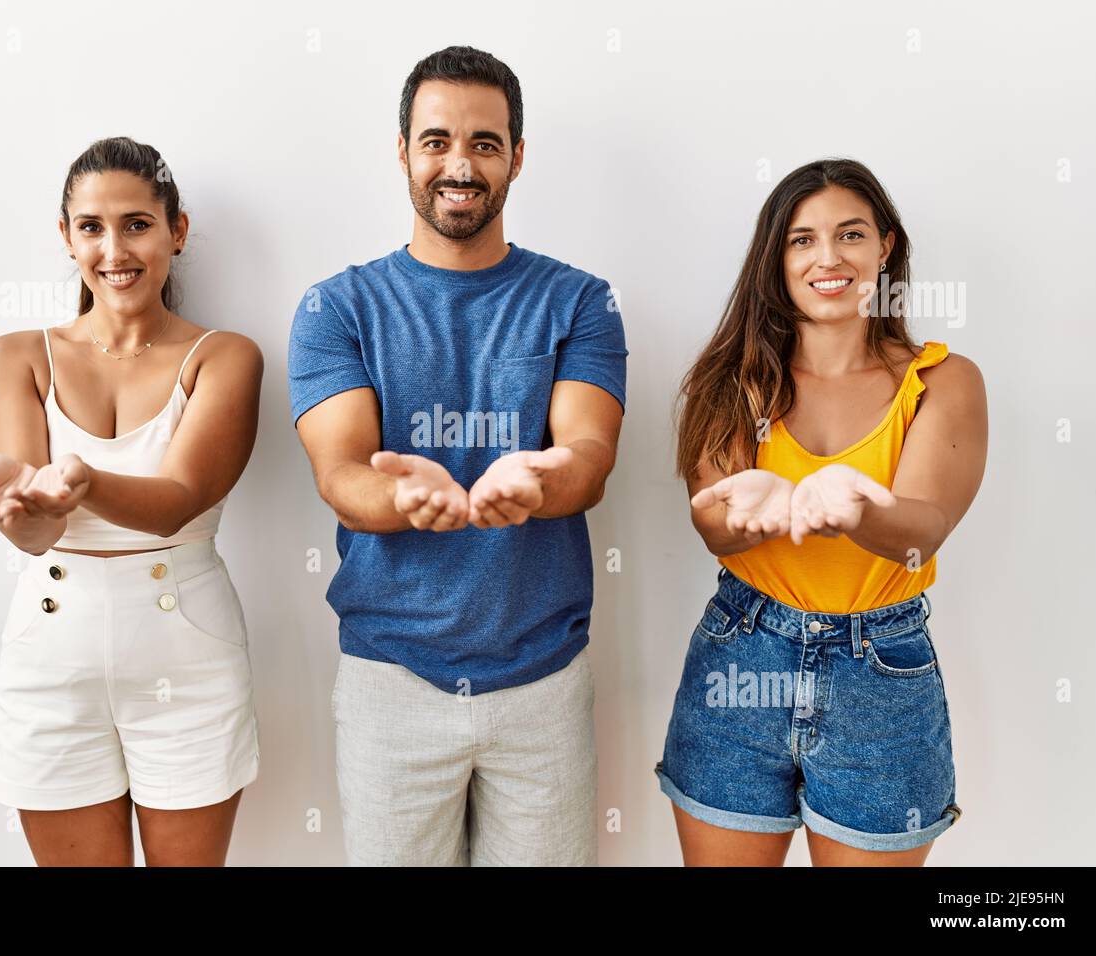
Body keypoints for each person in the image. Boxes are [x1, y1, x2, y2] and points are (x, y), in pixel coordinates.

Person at [288, 46, 627, 865]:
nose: (460, 164)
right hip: (389, 685)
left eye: (484, 141)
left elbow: (588, 456)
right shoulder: (336, 307)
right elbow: (340, 476)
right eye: (436, 140)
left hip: (542, 683)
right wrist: (403, 499)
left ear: (516, 155)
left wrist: (538, 483)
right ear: (402, 151)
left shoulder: (581, 300)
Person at [656, 157, 988, 866]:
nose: (828, 258)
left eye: (850, 235)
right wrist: (751, 511)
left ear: (885, 247)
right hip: (742, 657)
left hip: (882, 677)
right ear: (776, 258)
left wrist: (853, 511)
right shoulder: (733, 378)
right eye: (802, 240)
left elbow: (921, 533)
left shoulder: (941, 382)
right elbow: (712, 524)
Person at [0, 136, 264, 866]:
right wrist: (17, 503)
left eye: (137, 224)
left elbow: (177, 501)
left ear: (176, 231)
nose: (113, 249)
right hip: (52, 658)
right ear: (66, 238)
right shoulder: (15, 356)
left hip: (188, 655)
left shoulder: (225, 356)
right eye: (90, 227)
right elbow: (35, 537)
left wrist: (79, 478)